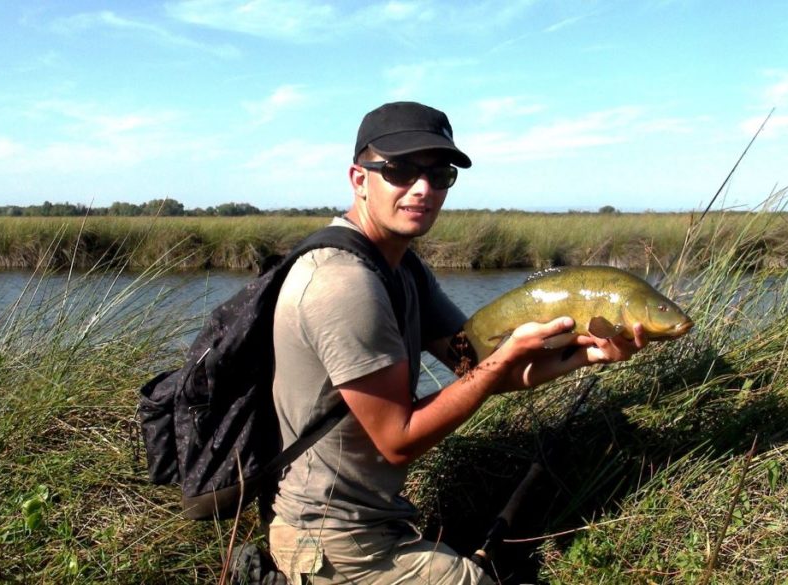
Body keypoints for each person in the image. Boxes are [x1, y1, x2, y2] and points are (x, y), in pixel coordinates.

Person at [265, 101, 647, 584]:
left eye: (439, 174)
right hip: (329, 537)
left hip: (380, 516)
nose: (422, 189)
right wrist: (502, 360)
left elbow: (472, 364)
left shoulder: (403, 268)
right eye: (400, 170)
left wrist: (584, 352)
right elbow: (398, 440)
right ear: (359, 179)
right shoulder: (342, 284)